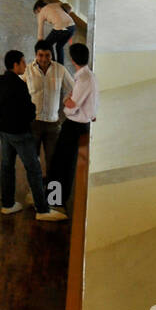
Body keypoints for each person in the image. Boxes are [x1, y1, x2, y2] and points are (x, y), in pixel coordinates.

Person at [0, 50, 67, 221]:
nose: (24, 65)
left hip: (4, 131)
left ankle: (7, 204)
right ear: (15, 65)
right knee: (34, 169)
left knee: (6, 167)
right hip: (20, 133)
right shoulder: (19, 86)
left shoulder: (0, 81)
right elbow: (29, 111)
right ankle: (42, 209)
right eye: (22, 62)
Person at [46, 42, 98, 208]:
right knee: (64, 163)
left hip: (74, 126)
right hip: (81, 125)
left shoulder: (83, 80)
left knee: (61, 165)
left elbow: (71, 104)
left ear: (72, 59)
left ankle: (56, 200)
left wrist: (66, 100)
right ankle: (57, 198)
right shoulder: (90, 76)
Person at [25, 41, 73, 177]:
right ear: (35, 55)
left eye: (47, 55)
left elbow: (73, 89)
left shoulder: (60, 70)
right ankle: (34, 191)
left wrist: (66, 101)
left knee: (53, 162)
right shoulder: (28, 70)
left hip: (53, 124)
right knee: (32, 161)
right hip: (33, 123)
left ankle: (53, 196)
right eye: (41, 55)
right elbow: (17, 87)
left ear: (52, 55)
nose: (44, 59)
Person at [34, 0, 75, 64]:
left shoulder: (41, 13)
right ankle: (60, 65)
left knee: (47, 44)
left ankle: (53, 64)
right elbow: (69, 6)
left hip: (61, 27)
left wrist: (39, 46)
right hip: (72, 26)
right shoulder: (56, 4)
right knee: (59, 46)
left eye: (37, 11)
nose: (38, 13)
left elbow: (40, 32)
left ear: (38, 8)